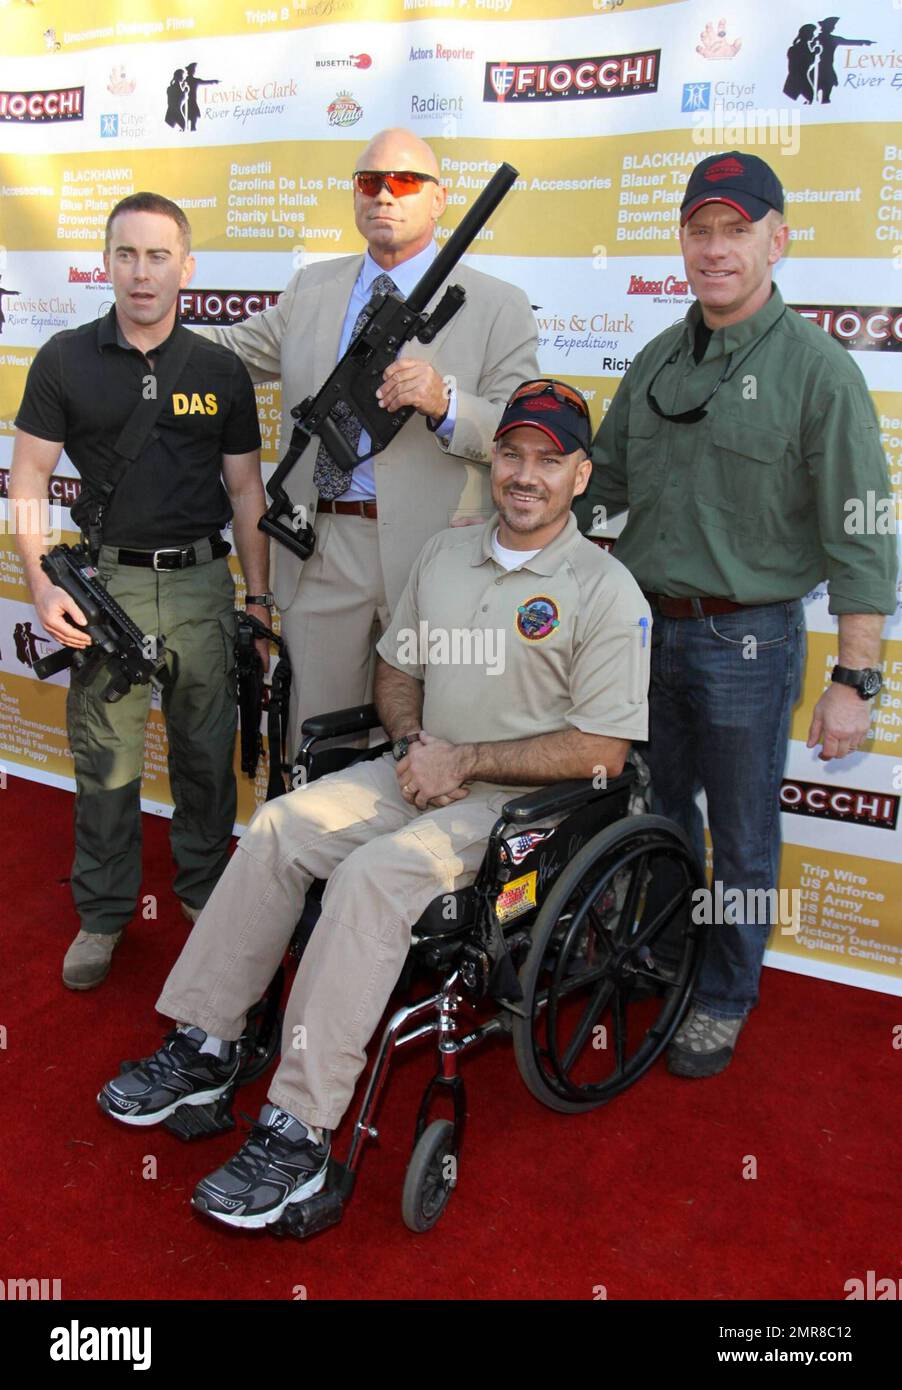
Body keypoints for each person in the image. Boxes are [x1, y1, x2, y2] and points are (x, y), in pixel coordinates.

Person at [96, 380, 651, 1230]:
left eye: (549, 459)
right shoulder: (446, 555)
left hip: (520, 809)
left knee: (372, 877)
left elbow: (601, 751)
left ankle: (301, 1127)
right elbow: (398, 671)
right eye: (511, 453)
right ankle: (208, 1040)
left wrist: (465, 759)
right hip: (421, 766)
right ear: (493, 460)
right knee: (280, 825)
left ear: (581, 475)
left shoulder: (606, 592)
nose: (525, 473)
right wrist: (413, 743)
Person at [573, 151, 897, 1078]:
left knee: (745, 837)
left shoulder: (818, 372)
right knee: (654, 812)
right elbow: (604, 492)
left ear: (777, 239)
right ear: (682, 240)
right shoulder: (658, 359)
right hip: (640, 631)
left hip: (746, 642)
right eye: (700, 229)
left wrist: (855, 679)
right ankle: (665, 958)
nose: (716, 248)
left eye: (737, 229)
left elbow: (863, 538)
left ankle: (724, 993)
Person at [197, 126, 539, 755]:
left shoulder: (499, 305)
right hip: (323, 548)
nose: (385, 195)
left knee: (437, 744)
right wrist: (145, 324)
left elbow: (526, 442)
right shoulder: (312, 289)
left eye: (405, 182)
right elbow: (228, 354)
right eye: (369, 182)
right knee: (319, 744)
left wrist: (445, 404)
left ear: (439, 200)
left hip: (442, 554)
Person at [11, 192, 271, 991]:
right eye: (126, 254)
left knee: (203, 759)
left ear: (185, 268)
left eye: (159, 256)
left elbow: (246, 495)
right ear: (106, 263)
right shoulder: (65, 359)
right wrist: (37, 584)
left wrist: (258, 602)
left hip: (199, 584)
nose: (141, 272)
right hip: (106, 587)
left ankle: (202, 897)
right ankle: (103, 913)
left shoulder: (221, 371)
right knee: (106, 762)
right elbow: (27, 477)